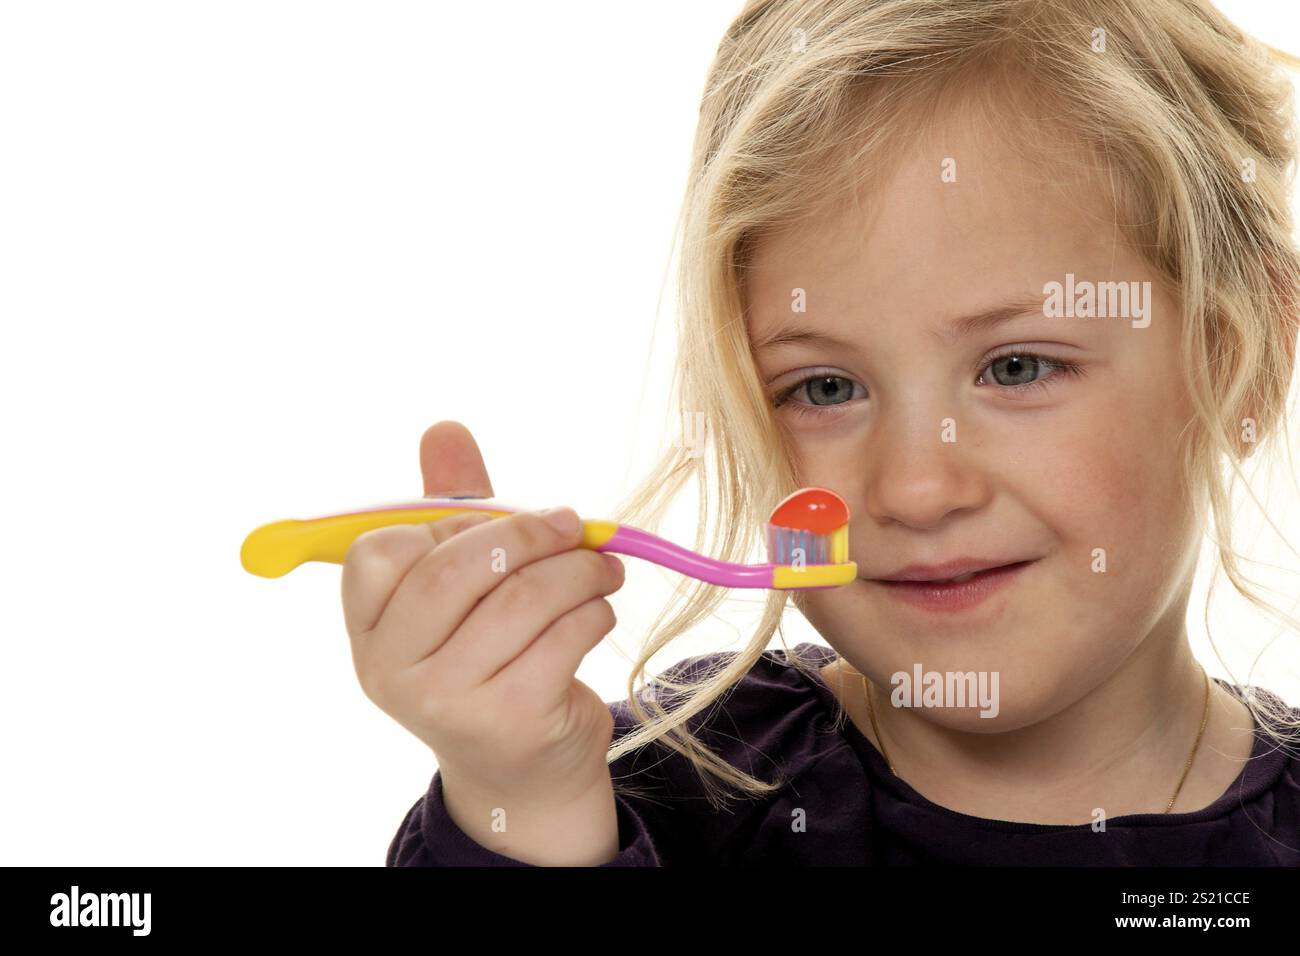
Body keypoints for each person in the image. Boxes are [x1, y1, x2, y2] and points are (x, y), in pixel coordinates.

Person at [349, 0, 1300, 865]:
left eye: (1016, 368)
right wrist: (521, 800)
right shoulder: (669, 795)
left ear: (1236, 357)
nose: (916, 489)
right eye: (826, 386)